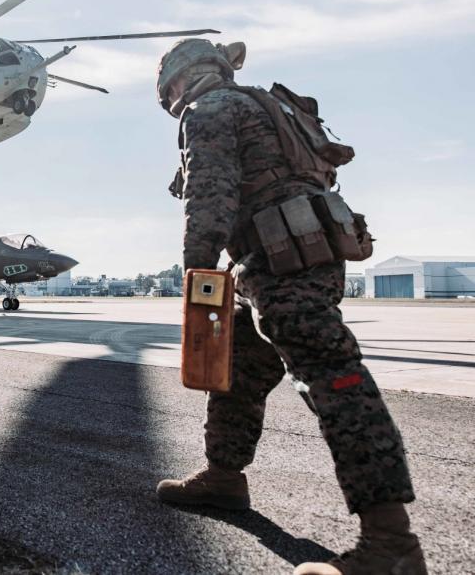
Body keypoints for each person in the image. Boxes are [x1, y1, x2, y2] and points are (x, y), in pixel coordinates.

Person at [153, 39, 426, 575]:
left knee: (335, 380)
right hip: (301, 254)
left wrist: (197, 273)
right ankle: (224, 477)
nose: (172, 103)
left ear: (182, 82)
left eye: (169, 94)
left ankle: (390, 544)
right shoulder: (273, 106)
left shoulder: (207, 110)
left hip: (281, 261)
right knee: (237, 373)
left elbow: (209, 194)